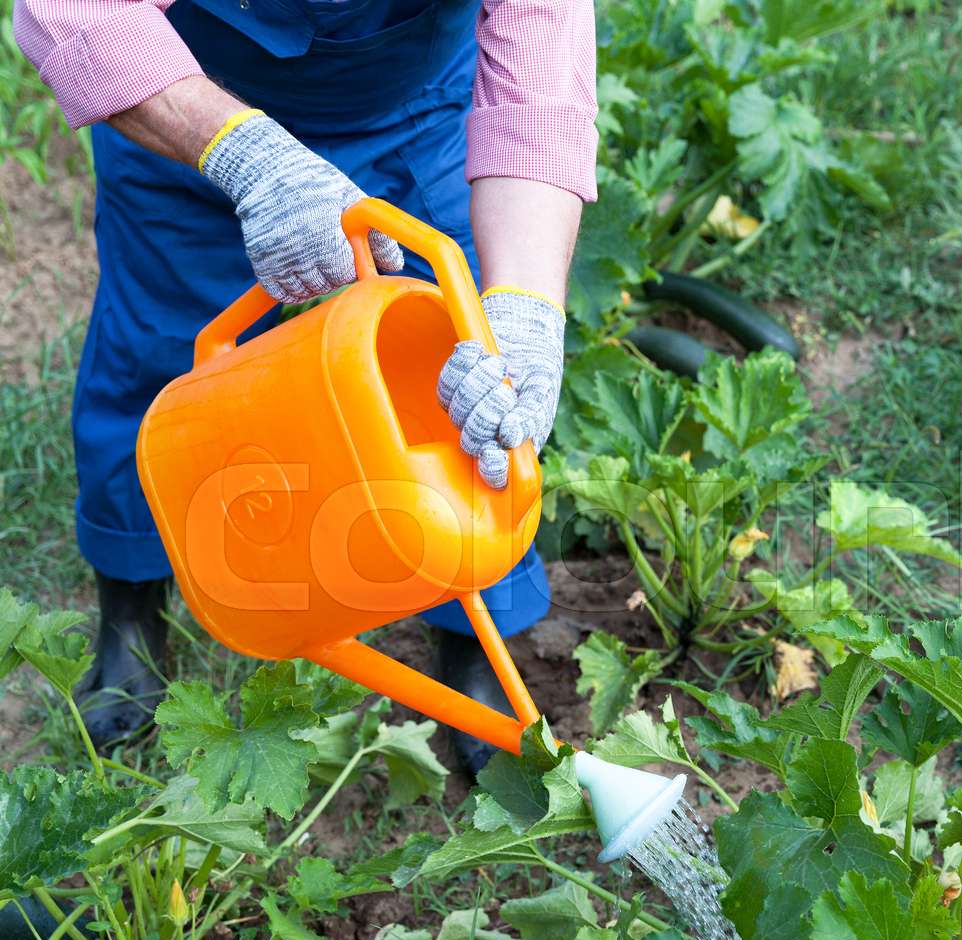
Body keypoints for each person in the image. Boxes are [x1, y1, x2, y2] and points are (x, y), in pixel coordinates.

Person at [13, 0, 596, 773]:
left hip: (414, 117)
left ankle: (473, 632)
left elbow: (541, 67)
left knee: (459, 382)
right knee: (157, 355)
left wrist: (523, 305)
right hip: (185, 100)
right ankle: (131, 604)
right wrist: (244, 154)